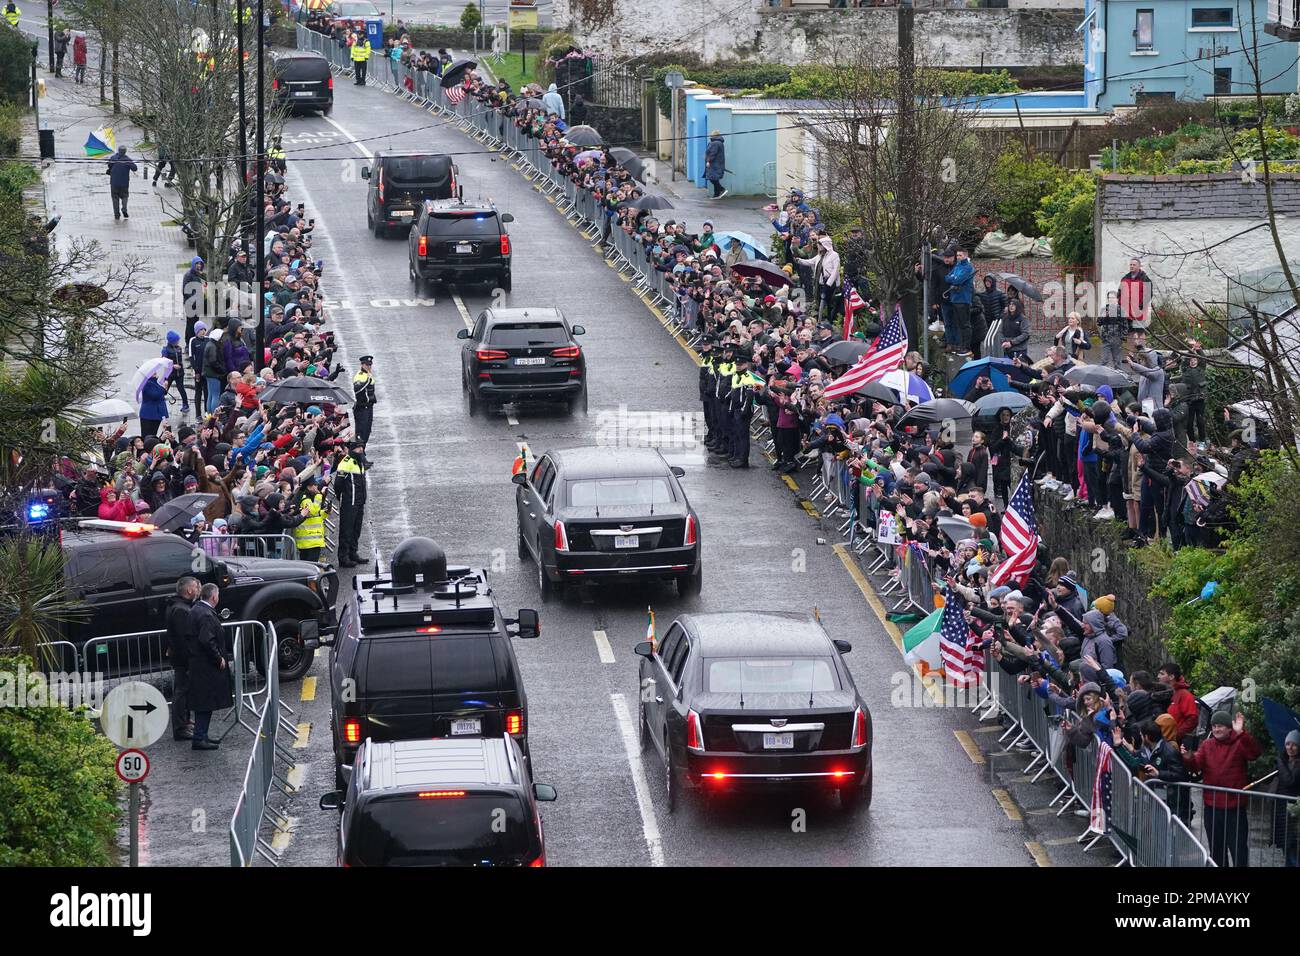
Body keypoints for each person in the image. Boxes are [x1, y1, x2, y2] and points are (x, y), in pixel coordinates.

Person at [1181, 711, 1262, 867]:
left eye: (1220, 726)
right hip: (1212, 807)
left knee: (1238, 850)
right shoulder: (1207, 744)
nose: (1216, 729)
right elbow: (1196, 765)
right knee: (1216, 851)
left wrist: (1241, 733)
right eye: (1214, 726)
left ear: (1229, 728)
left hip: (1235, 808)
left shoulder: (1240, 742)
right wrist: (1188, 758)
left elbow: (1254, 754)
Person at [186, 583, 230, 751]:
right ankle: (199, 737)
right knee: (205, 702)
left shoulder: (197, 609)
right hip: (205, 666)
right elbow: (206, 639)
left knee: (204, 702)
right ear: (213, 597)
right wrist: (218, 658)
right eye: (217, 595)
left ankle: (202, 734)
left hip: (199, 664)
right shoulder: (205, 615)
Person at [166, 577, 199, 741]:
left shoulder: (179, 606)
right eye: (195, 587)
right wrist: (190, 659)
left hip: (181, 657)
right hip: (183, 658)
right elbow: (182, 638)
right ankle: (180, 728)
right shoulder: (180, 610)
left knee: (185, 690)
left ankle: (185, 721)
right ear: (189, 590)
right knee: (181, 691)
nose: (198, 590)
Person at [334, 441, 368, 567]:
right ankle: (343, 557)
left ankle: (353, 553)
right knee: (346, 531)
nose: (361, 450)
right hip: (350, 502)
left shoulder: (360, 462)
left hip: (359, 501)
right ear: (353, 449)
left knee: (356, 529)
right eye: (359, 448)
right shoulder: (345, 463)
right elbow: (338, 483)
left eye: (362, 448)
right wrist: (341, 496)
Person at [1275, 730, 1300, 867]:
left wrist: (1280, 763)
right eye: (1287, 744)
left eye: (1294, 744)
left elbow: (1290, 781)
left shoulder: (1296, 764)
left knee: (1294, 853)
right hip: (1282, 813)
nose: (1290, 748)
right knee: (1288, 852)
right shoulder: (1286, 763)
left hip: (1293, 815)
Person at [943, 248, 974, 356]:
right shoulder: (957, 266)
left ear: (965, 256)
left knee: (965, 324)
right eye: (957, 255)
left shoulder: (968, 267)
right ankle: (961, 346)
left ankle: (966, 347)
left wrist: (954, 278)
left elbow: (957, 280)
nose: (958, 257)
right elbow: (947, 277)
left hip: (963, 299)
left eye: (960, 255)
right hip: (954, 299)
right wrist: (954, 278)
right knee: (958, 324)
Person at [106, 145, 138, 221]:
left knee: (115, 198)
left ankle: (117, 215)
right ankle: (124, 209)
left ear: (118, 150)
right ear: (125, 151)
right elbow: (135, 168)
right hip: (124, 183)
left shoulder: (113, 158)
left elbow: (109, 165)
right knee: (125, 196)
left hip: (114, 182)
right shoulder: (128, 160)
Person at [352, 354, 376, 445]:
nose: (369, 367)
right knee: (361, 432)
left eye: (370, 365)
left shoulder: (368, 374)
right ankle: (358, 455)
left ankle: (362, 453)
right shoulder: (359, 375)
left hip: (369, 407)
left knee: (367, 431)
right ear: (362, 365)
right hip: (362, 407)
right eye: (367, 365)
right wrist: (367, 382)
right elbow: (357, 390)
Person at [139, 368, 169, 438]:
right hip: (149, 415)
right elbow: (155, 395)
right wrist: (163, 388)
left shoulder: (154, 382)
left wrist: (165, 388)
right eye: (152, 371)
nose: (155, 372)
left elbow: (160, 394)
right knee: (147, 436)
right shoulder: (147, 383)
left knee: (153, 435)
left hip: (156, 415)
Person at [704, 130, 727, 200]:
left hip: (714, 164)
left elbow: (712, 153)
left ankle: (722, 189)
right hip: (717, 164)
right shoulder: (719, 143)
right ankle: (716, 195)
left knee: (712, 179)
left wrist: (708, 161)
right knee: (714, 178)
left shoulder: (715, 143)